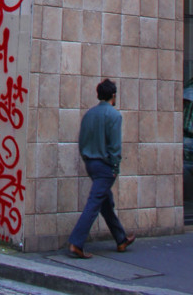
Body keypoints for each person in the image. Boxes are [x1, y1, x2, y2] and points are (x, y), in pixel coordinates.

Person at [67, 78, 135, 259]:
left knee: (105, 202)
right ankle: (76, 242)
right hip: (105, 167)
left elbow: (82, 142)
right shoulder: (114, 115)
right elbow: (115, 147)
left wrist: (87, 158)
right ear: (113, 96)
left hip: (91, 163)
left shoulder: (89, 114)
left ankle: (121, 239)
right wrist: (115, 167)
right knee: (95, 203)